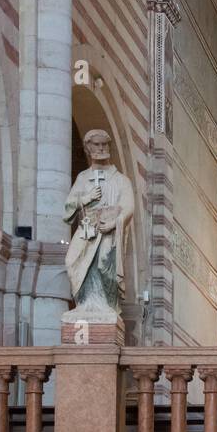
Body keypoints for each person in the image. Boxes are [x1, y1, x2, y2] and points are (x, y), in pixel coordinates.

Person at [63, 129, 135, 318]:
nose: (101, 148)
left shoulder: (121, 180)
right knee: (72, 261)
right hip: (86, 229)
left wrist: (114, 223)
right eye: (97, 144)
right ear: (88, 148)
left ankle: (106, 307)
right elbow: (68, 207)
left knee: (104, 263)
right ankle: (84, 305)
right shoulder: (83, 178)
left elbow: (129, 207)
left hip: (108, 230)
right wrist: (85, 198)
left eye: (104, 144)